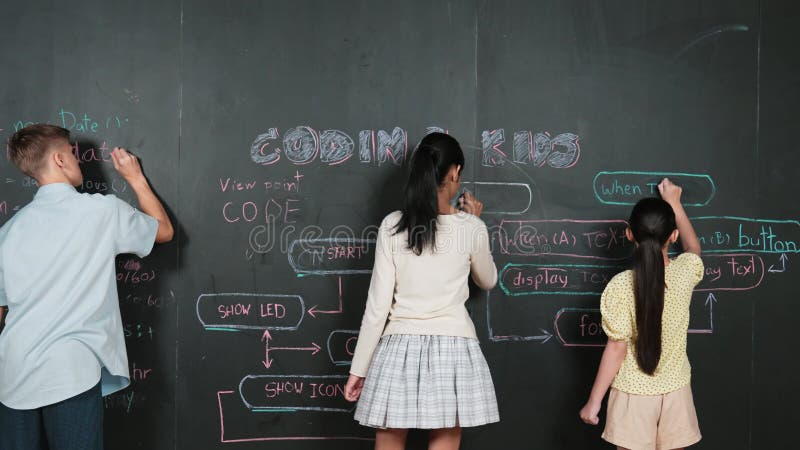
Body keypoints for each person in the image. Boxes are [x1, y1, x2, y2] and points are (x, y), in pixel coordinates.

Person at [0, 124, 173, 449]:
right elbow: (163, 231)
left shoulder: (8, 232)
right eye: (72, 153)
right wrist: (135, 178)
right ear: (59, 160)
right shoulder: (101, 211)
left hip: (12, 374)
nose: (78, 160)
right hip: (69, 372)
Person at [344, 132, 499, 450]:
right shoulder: (471, 228)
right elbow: (488, 280)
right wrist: (473, 222)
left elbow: (377, 309)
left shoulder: (392, 226)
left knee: (389, 440)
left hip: (397, 348)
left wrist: (358, 370)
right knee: (444, 440)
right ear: (454, 172)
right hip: (453, 349)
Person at [579, 178, 704, 450]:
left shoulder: (621, 286)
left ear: (629, 234)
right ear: (673, 236)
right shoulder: (685, 272)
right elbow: (694, 249)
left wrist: (594, 401)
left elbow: (616, 349)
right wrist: (675, 203)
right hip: (676, 392)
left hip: (632, 397)